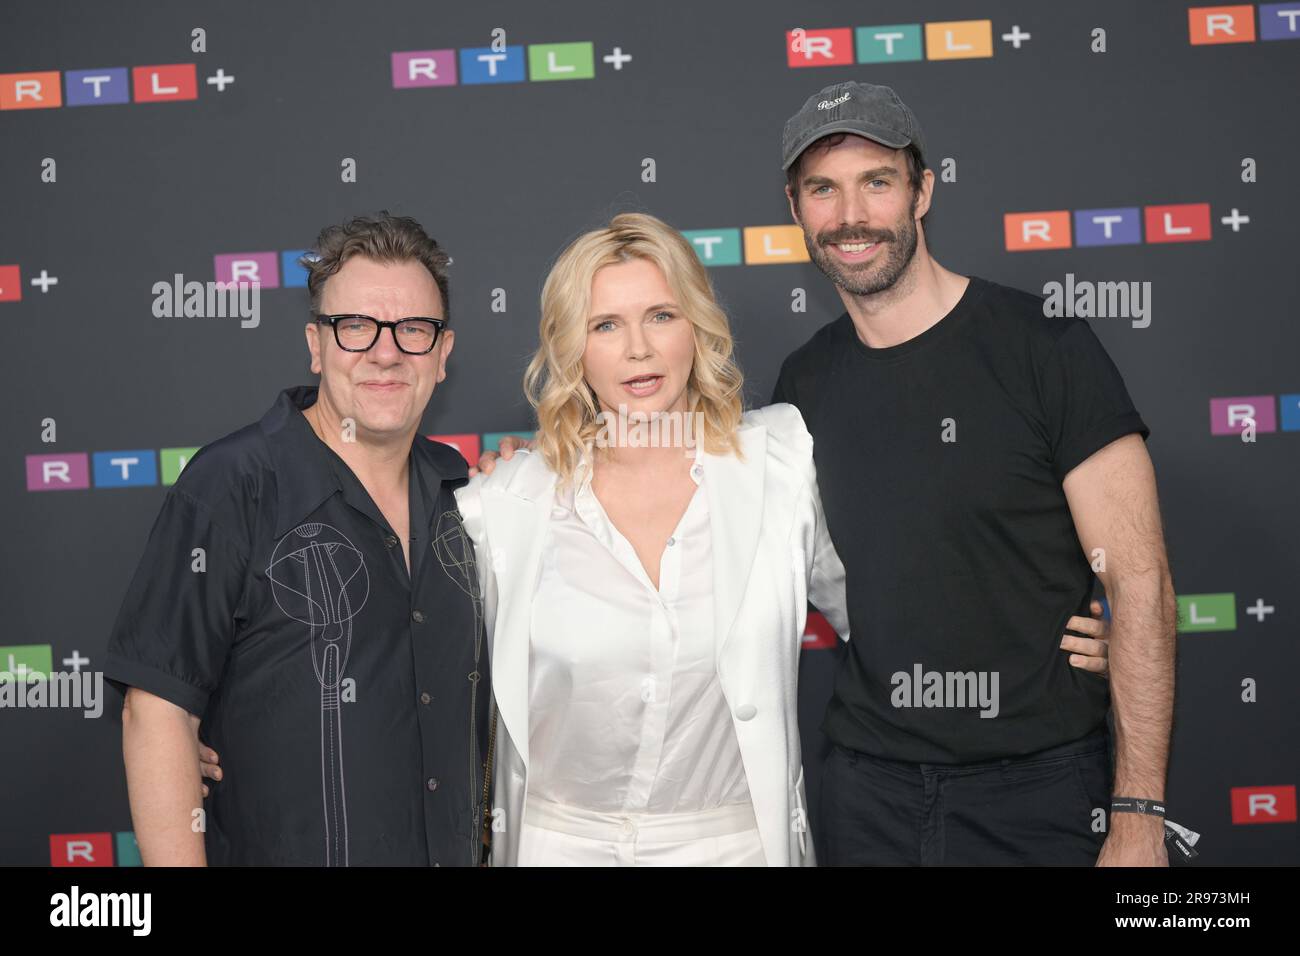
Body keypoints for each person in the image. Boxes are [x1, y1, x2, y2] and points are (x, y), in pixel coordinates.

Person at [456, 212, 1110, 866]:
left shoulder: (780, 463)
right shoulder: (506, 503)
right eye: (606, 325)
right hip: (556, 845)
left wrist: (1044, 639)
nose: (638, 349)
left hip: (735, 845)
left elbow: (891, 609)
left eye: (661, 315)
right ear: (572, 346)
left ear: (697, 325)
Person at [772, 81, 1176, 865]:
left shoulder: (1045, 346)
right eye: (823, 188)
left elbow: (1140, 582)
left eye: (876, 182)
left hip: (1045, 791)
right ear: (796, 210)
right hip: (866, 796)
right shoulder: (803, 383)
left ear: (923, 191)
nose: (850, 216)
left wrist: (1137, 813)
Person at [106, 212, 492, 866]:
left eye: (414, 330)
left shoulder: (475, 499)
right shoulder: (232, 487)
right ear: (316, 344)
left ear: (443, 354)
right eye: (355, 328)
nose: (386, 352)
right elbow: (158, 712)